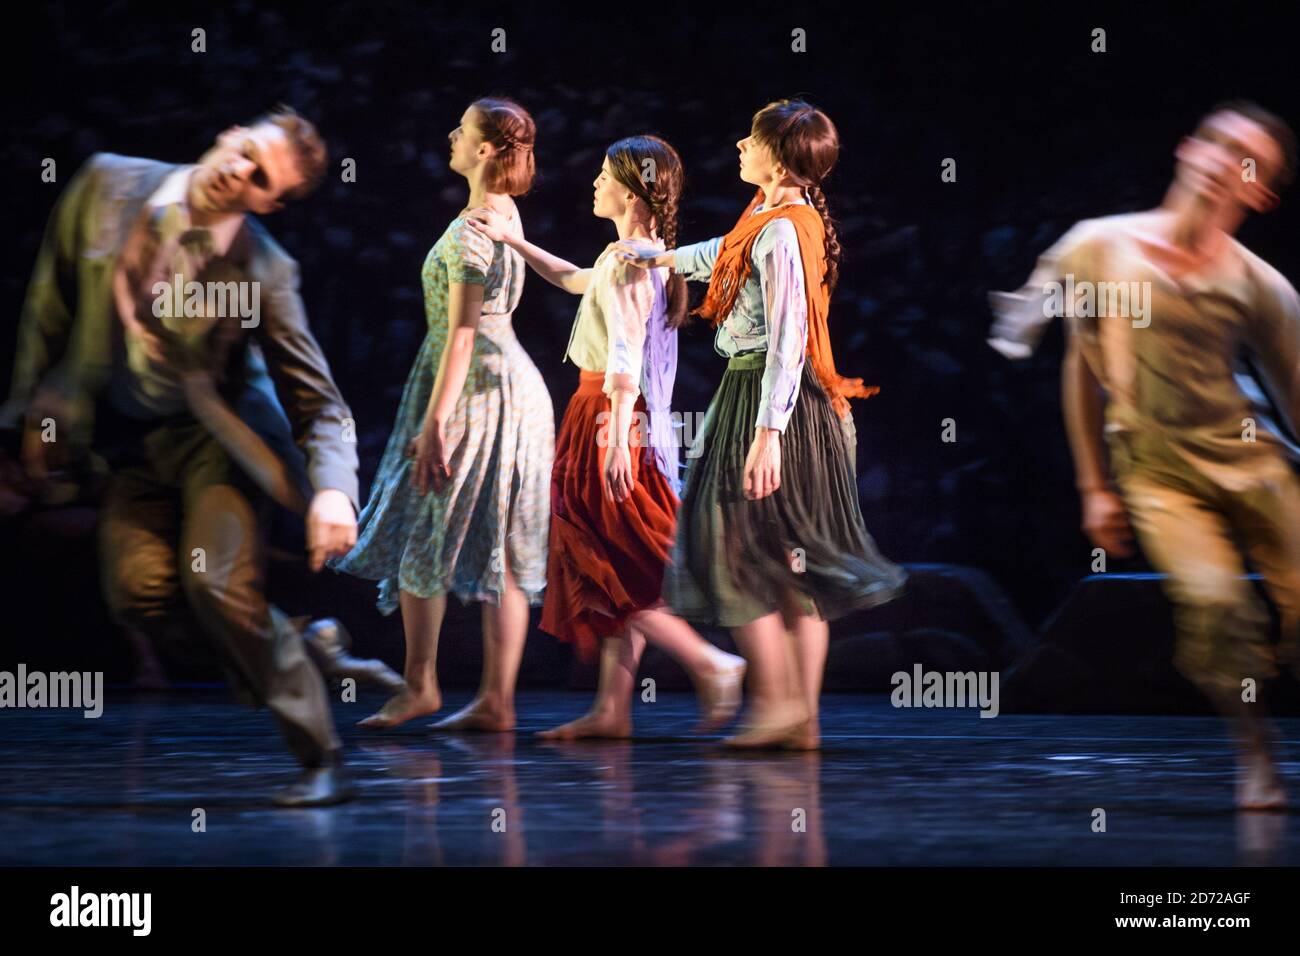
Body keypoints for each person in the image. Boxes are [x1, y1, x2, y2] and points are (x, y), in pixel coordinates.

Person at [3, 106, 361, 806]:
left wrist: (333, 491)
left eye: (261, 180)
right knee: (138, 596)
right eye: (246, 151)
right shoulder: (106, 183)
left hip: (216, 441)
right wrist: (31, 409)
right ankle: (304, 649)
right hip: (130, 441)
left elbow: (318, 400)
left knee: (214, 586)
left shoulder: (264, 269)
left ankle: (320, 757)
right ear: (230, 132)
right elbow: (50, 301)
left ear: (271, 204)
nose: (240, 173)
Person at [989, 100, 1300, 810]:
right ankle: (1257, 752)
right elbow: (1083, 367)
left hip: (1254, 462)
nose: (1225, 161)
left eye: (1246, 160)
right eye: (1217, 143)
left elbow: (1295, 390)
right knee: (1216, 607)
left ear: (1260, 192)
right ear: (1188, 148)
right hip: (1158, 471)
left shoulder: (1260, 286)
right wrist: (1094, 487)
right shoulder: (1099, 245)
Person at [619, 100, 907, 749]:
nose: (739, 146)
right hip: (784, 398)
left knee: (736, 551)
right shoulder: (771, 217)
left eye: (750, 139)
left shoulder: (781, 229)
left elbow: (788, 335)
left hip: (769, 399)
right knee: (786, 562)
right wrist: (659, 258)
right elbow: (722, 253)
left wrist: (768, 434)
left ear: (776, 156)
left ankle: (779, 705)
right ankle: (798, 717)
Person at [468, 135, 746, 739]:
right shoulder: (636, 256)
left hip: (607, 413)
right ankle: (613, 710)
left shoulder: (631, 259)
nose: (593, 183)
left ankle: (710, 662)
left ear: (631, 188)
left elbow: (624, 357)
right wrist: (513, 240)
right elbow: (572, 279)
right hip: (616, 414)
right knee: (616, 558)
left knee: (611, 556)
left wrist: (616, 438)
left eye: (603, 174)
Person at [331, 98, 554, 733]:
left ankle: (422, 685)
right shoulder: (503, 214)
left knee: (425, 520)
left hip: (474, 388)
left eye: (463, 129)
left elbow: (460, 334)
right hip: (510, 383)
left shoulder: (471, 229)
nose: (452, 135)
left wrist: (434, 424)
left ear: (486, 149)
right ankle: (495, 699)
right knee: (501, 546)